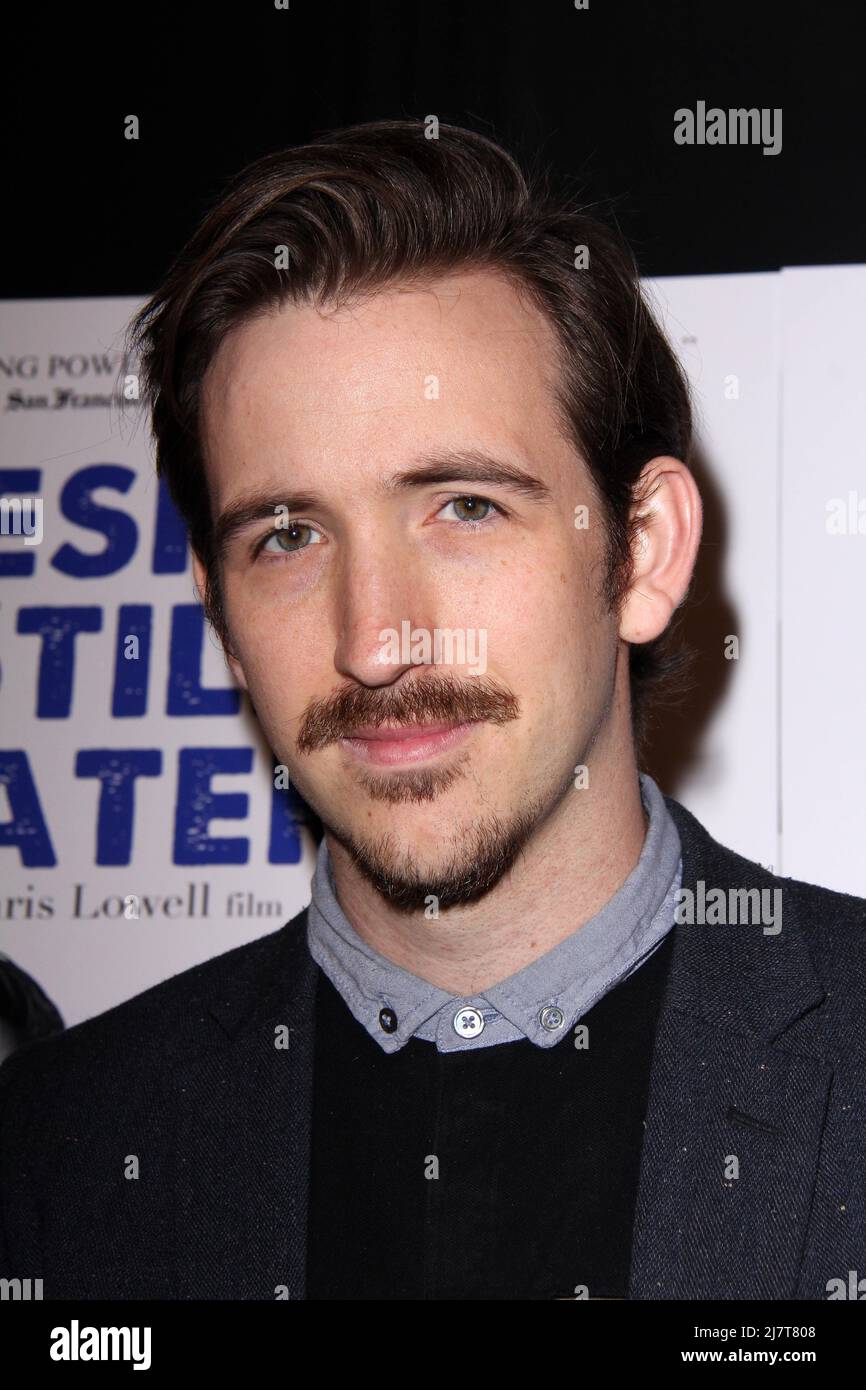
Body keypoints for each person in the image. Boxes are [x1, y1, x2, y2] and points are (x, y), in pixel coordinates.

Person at [1, 119, 863, 1302]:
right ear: (218, 612)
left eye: (461, 507)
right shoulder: (54, 1149)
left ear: (641, 550)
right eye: (288, 536)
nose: (374, 642)